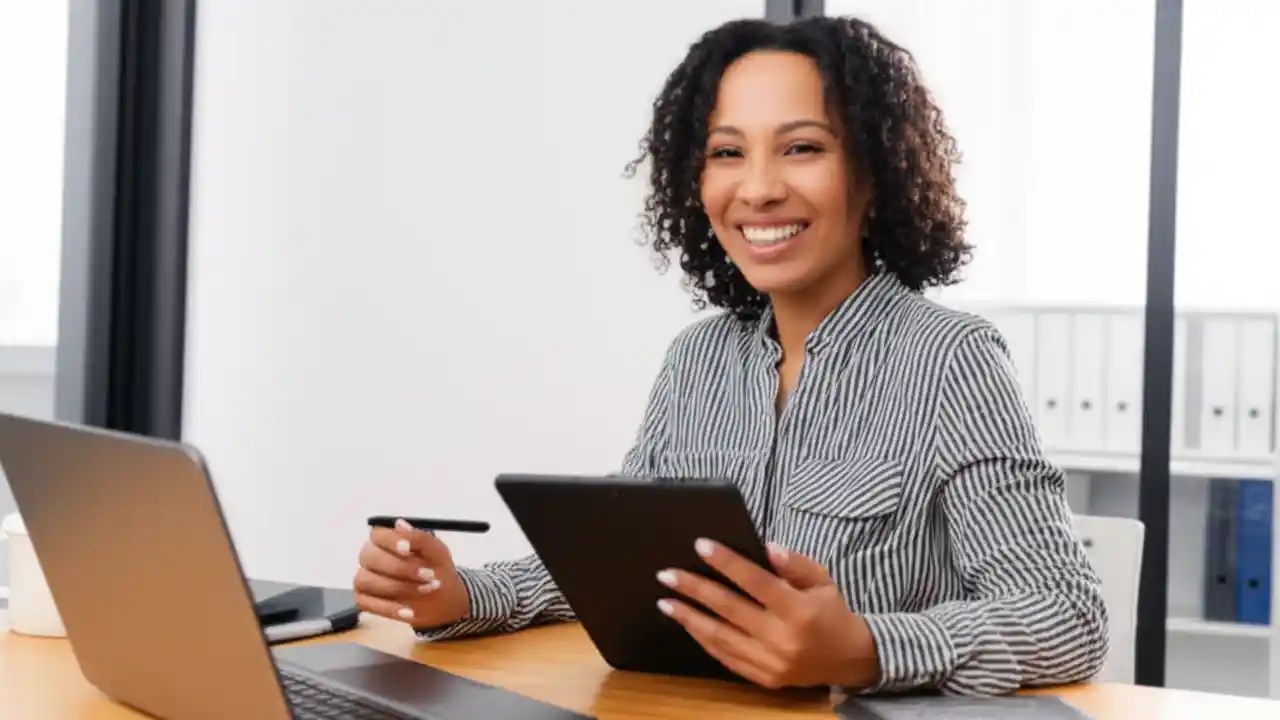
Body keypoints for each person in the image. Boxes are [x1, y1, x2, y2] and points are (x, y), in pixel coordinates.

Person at [352, 15, 1108, 696]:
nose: (759, 188)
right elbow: (623, 565)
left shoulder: (953, 360)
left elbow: (1068, 616)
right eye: (726, 153)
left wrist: (865, 649)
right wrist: (460, 595)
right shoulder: (696, 361)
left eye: (802, 148)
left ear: (873, 174)